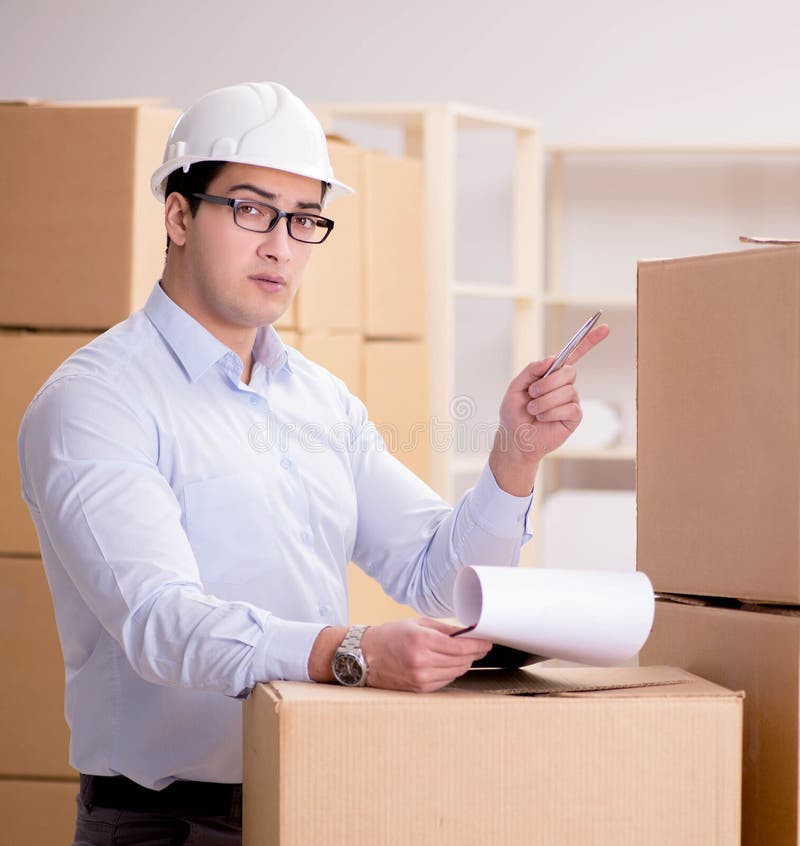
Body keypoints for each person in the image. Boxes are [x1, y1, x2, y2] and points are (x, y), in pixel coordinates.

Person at [17, 81, 608, 846]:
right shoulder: (97, 403)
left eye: (303, 220)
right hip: (166, 823)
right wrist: (351, 652)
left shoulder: (319, 402)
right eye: (251, 209)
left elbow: (438, 575)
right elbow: (162, 624)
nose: (280, 246)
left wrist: (514, 457)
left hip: (322, 788)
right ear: (177, 215)